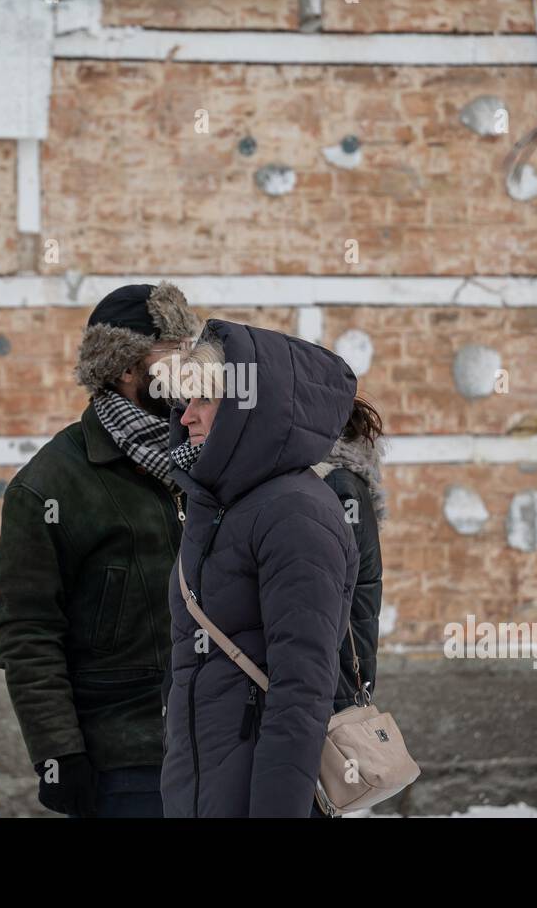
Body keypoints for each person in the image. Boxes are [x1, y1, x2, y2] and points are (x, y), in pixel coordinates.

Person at [0, 281, 199, 818]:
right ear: (126, 368)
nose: (188, 367)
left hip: (220, 745)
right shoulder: (50, 484)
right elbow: (26, 630)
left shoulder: (207, 459)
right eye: (171, 353)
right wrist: (59, 753)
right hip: (124, 760)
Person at [158, 321, 360, 817]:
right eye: (187, 401)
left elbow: (302, 691)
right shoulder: (220, 505)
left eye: (204, 401)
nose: (186, 417)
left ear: (248, 410)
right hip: (204, 790)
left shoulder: (295, 513)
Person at [313, 398, 387, 714]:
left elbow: (328, 593)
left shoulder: (337, 484)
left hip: (336, 672)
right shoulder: (344, 480)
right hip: (341, 669)